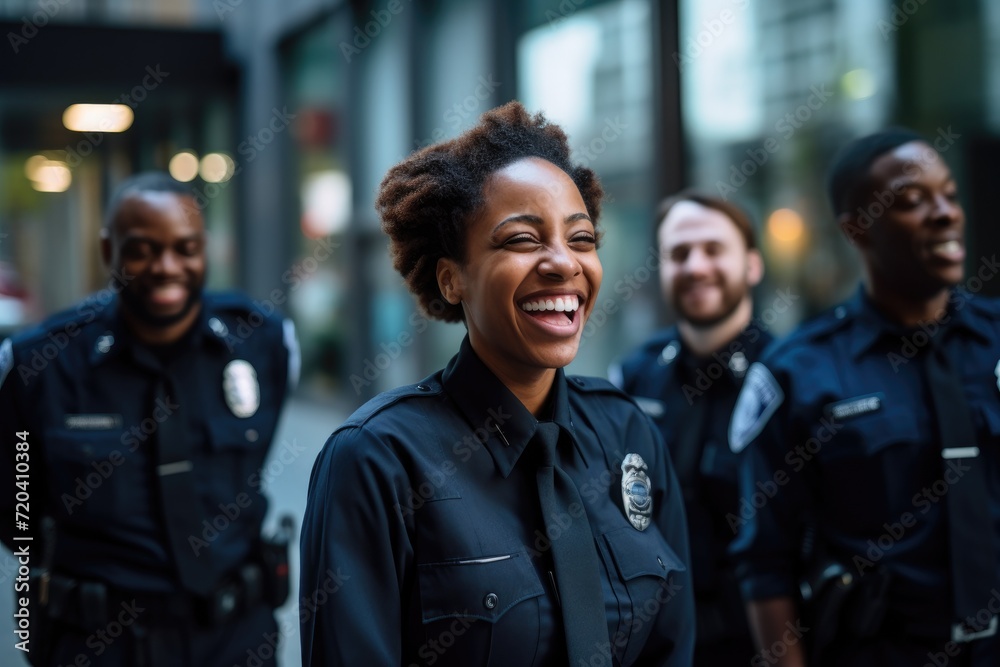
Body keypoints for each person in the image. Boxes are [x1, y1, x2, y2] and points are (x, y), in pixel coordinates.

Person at [299, 101, 694, 667]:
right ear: (451, 278)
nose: (563, 263)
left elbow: (673, 646)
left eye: (580, 239)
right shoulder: (377, 460)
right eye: (522, 240)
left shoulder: (629, 431)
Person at [0, 172, 299, 666]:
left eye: (186, 248)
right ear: (107, 250)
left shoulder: (265, 344)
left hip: (235, 639)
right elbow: (17, 516)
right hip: (99, 645)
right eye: (142, 249)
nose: (167, 267)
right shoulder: (41, 366)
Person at [729, 127, 1000, 666]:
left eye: (948, 194)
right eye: (911, 202)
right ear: (858, 229)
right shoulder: (799, 373)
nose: (945, 213)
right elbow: (765, 564)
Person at [611, 191, 769, 665]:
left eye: (714, 249)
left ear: (753, 265)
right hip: (658, 644)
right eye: (679, 254)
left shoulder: (792, 376)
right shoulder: (633, 376)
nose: (696, 266)